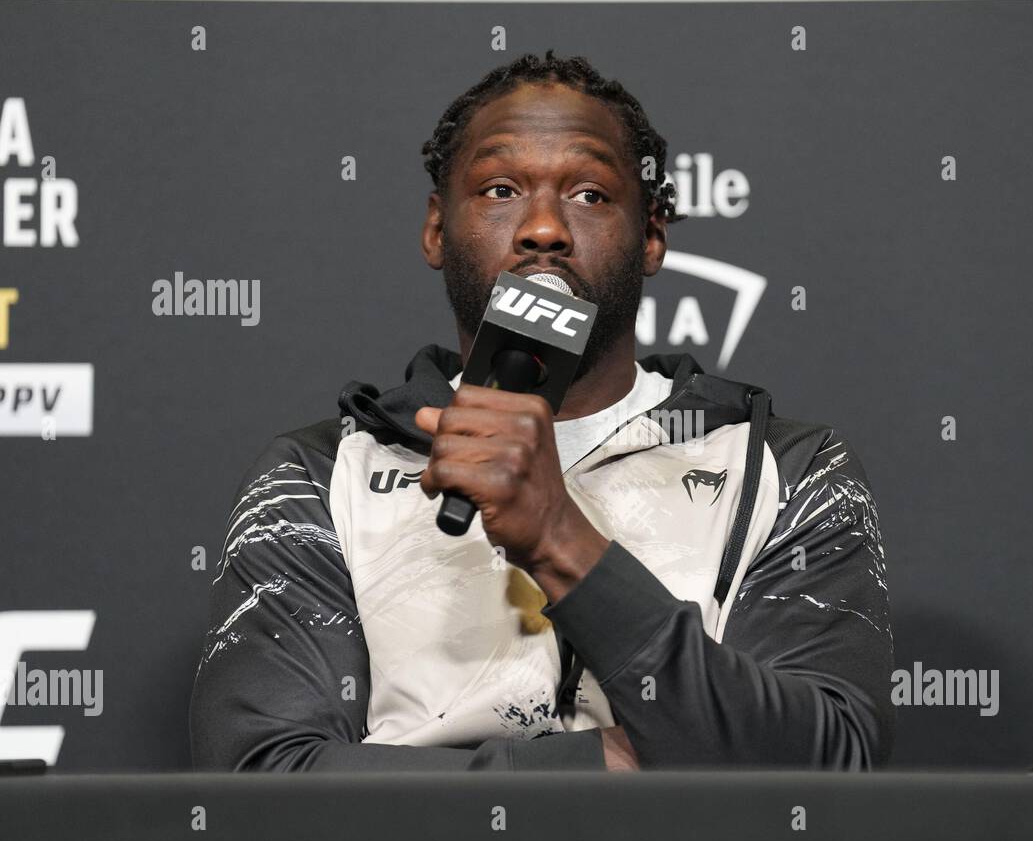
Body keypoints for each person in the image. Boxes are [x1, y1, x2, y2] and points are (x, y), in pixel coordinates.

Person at [189, 50, 894, 772]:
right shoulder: (316, 475)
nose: (544, 229)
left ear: (651, 235)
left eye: (589, 195)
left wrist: (562, 540)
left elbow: (824, 764)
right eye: (500, 189)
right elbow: (262, 779)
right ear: (437, 228)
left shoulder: (788, 470)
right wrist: (586, 773)